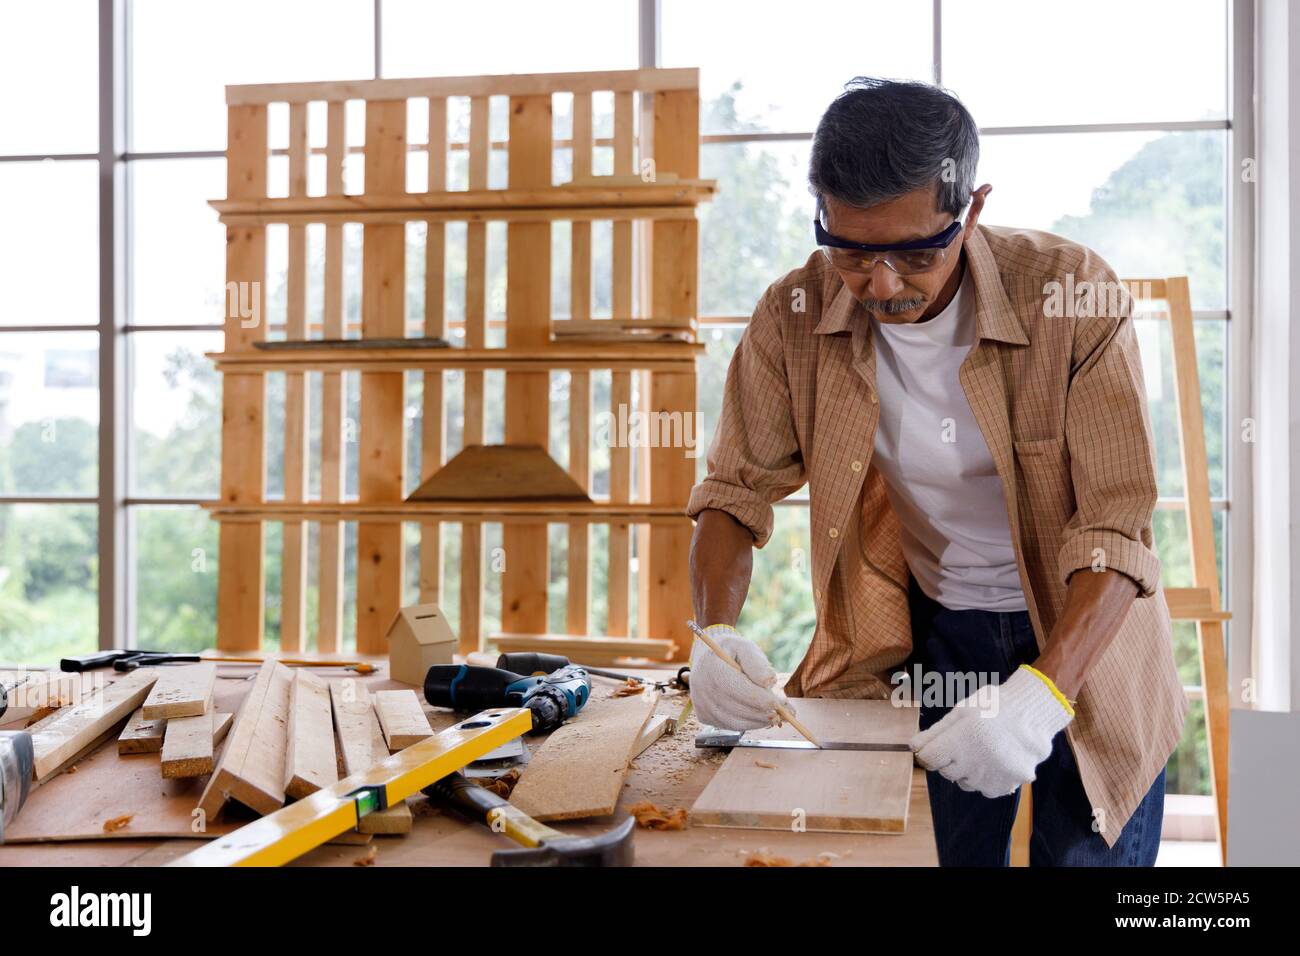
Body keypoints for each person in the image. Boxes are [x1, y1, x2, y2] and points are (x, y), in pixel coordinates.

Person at [685, 77, 1186, 866]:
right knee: (936, 853)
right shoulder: (792, 316)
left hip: (1088, 636)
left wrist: (1041, 696)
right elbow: (732, 492)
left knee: (1087, 852)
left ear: (972, 208)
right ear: (821, 212)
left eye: (917, 252)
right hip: (934, 638)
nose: (882, 286)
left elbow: (1116, 528)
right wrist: (711, 634)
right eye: (851, 251)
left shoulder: (1073, 295)